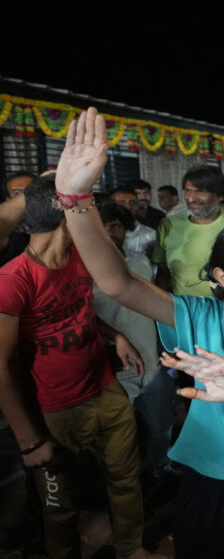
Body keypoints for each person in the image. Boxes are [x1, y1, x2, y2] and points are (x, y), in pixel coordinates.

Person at [54, 107, 224, 559]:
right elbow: (118, 282)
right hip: (208, 482)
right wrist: (76, 198)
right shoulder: (197, 315)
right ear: (223, 278)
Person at [0, 175, 159, 559]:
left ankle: (131, 548)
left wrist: (114, 335)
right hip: (54, 408)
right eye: (84, 211)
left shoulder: (81, 258)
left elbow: (78, 311)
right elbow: (1, 365)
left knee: (126, 479)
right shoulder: (12, 280)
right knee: (59, 506)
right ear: (65, 219)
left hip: (104, 388)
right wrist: (29, 441)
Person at [93, 202, 175, 478]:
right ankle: (122, 483)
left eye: (115, 225)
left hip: (151, 359)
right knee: (117, 435)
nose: (108, 231)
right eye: (102, 225)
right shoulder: (83, 267)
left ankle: (160, 469)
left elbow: (152, 306)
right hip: (116, 365)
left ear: (124, 228)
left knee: (161, 423)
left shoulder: (138, 261)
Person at [152, 165, 224, 296]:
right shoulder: (169, 225)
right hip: (186, 310)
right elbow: (163, 274)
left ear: (220, 195)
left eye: (200, 191)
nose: (191, 198)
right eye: (187, 191)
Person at [110, 186, 157, 257]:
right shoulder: (103, 234)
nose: (128, 207)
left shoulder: (151, 235)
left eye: (132, 202)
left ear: (138, 205)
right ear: (111, 205)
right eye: (122, 202)